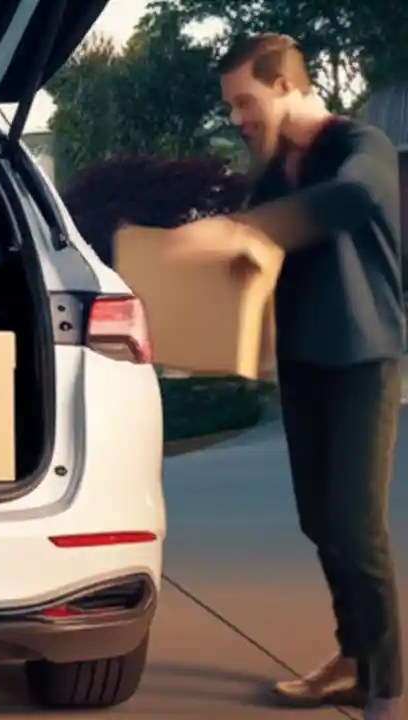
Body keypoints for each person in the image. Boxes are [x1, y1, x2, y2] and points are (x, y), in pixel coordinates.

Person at [165, 33, 403, 719]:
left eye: (245, 102)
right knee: (320, 520)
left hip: (363, 358)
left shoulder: (363, 148)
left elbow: (350, 203)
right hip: (301, 361)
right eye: (232, 107)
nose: (238, 118)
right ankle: (351, 657)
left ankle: (384, 692)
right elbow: (251, 260)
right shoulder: (272, 172)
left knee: (358, 530)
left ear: (286, 86)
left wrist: (240, 230)